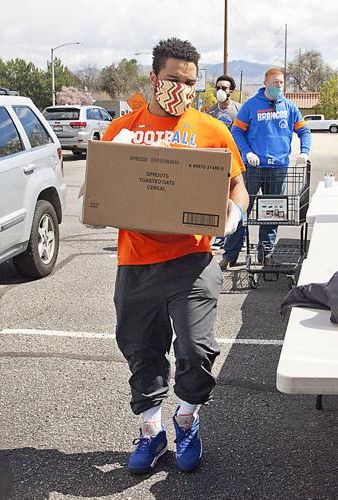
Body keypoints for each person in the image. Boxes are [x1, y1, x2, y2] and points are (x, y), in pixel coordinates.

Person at [101, 38, 248, 474]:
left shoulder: (211, 130)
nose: (181, 89)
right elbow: (101, 184)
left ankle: (186, 419)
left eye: (189, 82)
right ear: (153, 78)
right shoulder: (123, 130)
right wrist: (97, 200)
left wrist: (234, 213)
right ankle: (151, 431)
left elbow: (236, 184)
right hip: (136, 261)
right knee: (141, 348)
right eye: (173, 79)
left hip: (192, 259)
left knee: (197, 348)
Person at [220, 67, 311, 269]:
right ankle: (230, 254)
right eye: (275, 82)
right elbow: (237, 131)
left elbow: (304, 131)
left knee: (272, 212)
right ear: (265, 83)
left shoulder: (289, 107)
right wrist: (247, 152)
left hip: (279, 168)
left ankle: (266, 254)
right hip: (254, 168)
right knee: (241, 210)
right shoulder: (251, 105)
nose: (279, 86)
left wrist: (305, 152)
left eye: (281, 83)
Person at [205, 75, 241, 249]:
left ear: (231, 91)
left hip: (236, 161)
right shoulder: (210, 113)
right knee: (218, 199)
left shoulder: (239, 110)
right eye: (218, 87)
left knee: (235, 199)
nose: (220, 90)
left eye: (224, 88)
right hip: (217, 162)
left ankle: (237, 237)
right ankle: (219, 235)